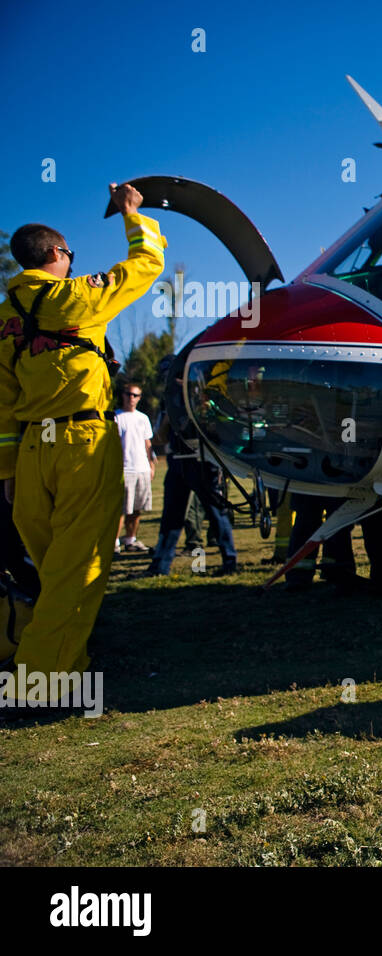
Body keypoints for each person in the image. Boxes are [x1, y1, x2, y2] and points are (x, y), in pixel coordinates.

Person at [0, 182, 166, 709]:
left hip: (30, 453)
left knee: (53, 570)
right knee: (80, 569)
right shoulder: (76, 297)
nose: (72, 261)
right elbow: (145, 265)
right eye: (69, 254)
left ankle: (63, 658)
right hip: (81, 441)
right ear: (55, 255)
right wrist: (133, 214)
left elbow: (1, 404)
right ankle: (37, 685)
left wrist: (7, 471)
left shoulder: (4, 319)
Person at [143, 355, 238, 577]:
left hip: (202, 461)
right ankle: (161, 564)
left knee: (217, 513)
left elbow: (219, 429)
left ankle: (229, 561)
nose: (169, 379)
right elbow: (160, 439)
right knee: (171, 516)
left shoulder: (201, 394)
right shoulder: (169, 401)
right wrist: (168, 420)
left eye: (171, 374)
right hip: (178, 462)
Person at [114, 382, 155, 553]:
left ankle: (131, 540)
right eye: (128, 394)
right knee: (121, 509)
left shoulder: (143, 418)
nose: (131, 398)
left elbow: (148, 443)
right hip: (124, 469)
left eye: (135, 395)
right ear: (123, 395)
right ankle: (114, 543)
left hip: (142, 468)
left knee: (137, 508)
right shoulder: (116, 417)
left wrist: (151, 464)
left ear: (139, 398)